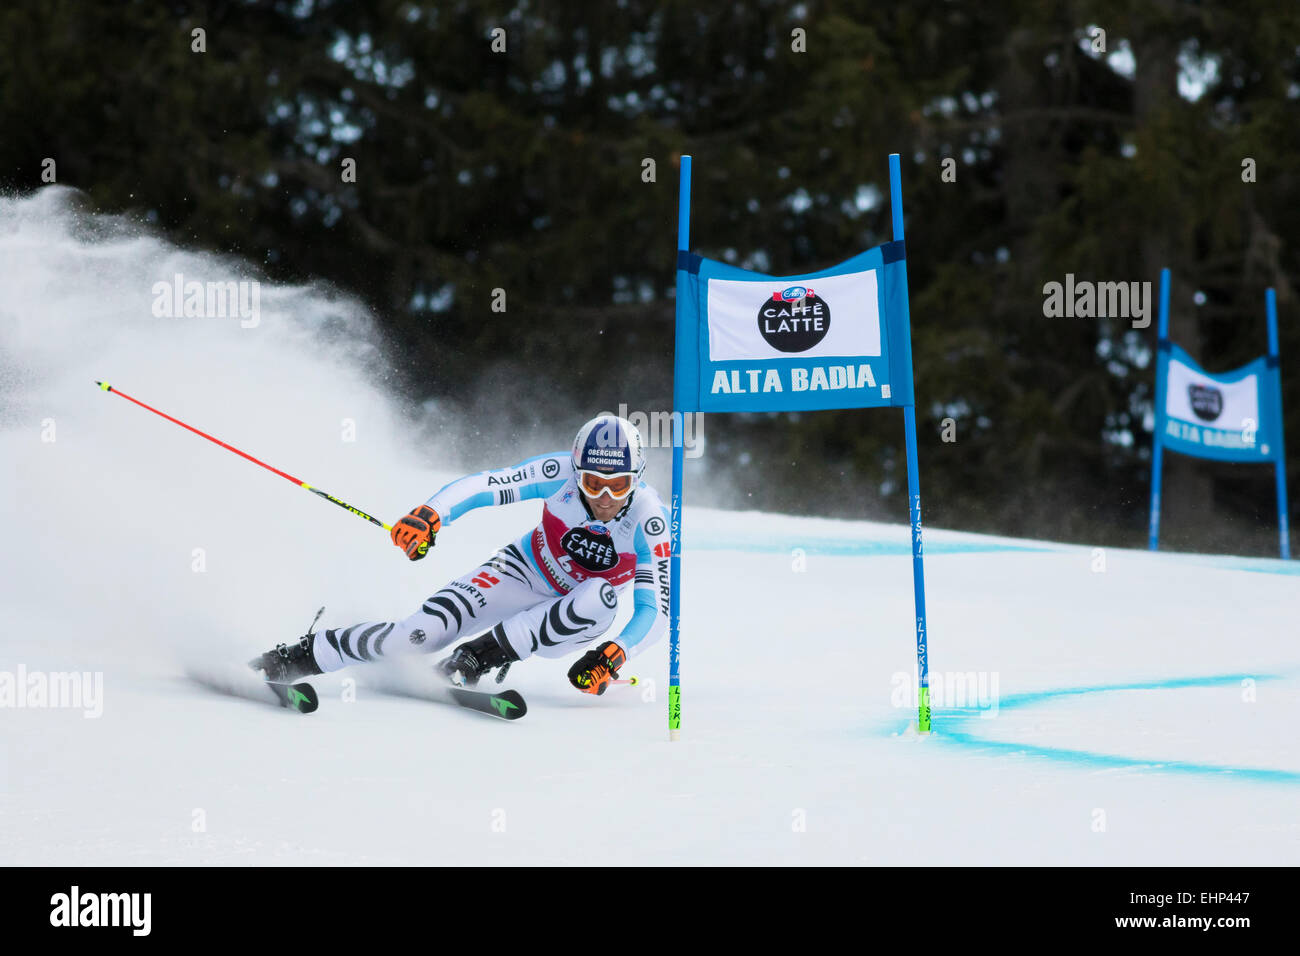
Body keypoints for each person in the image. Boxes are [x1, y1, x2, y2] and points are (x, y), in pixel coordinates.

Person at [250, 415, 671, 695]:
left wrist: (614, 654)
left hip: (575, 617)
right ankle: (306, 655)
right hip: (521, 570)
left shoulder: (650, 521)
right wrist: (432, 515)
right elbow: (487, 486)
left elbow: (658, 611)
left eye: (618, 486)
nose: (603, 498)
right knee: (419, 635)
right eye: (592, 482)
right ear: (576, 471)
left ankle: (477, 658)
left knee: (600, 593)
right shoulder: (556, 472)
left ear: (637, 480)